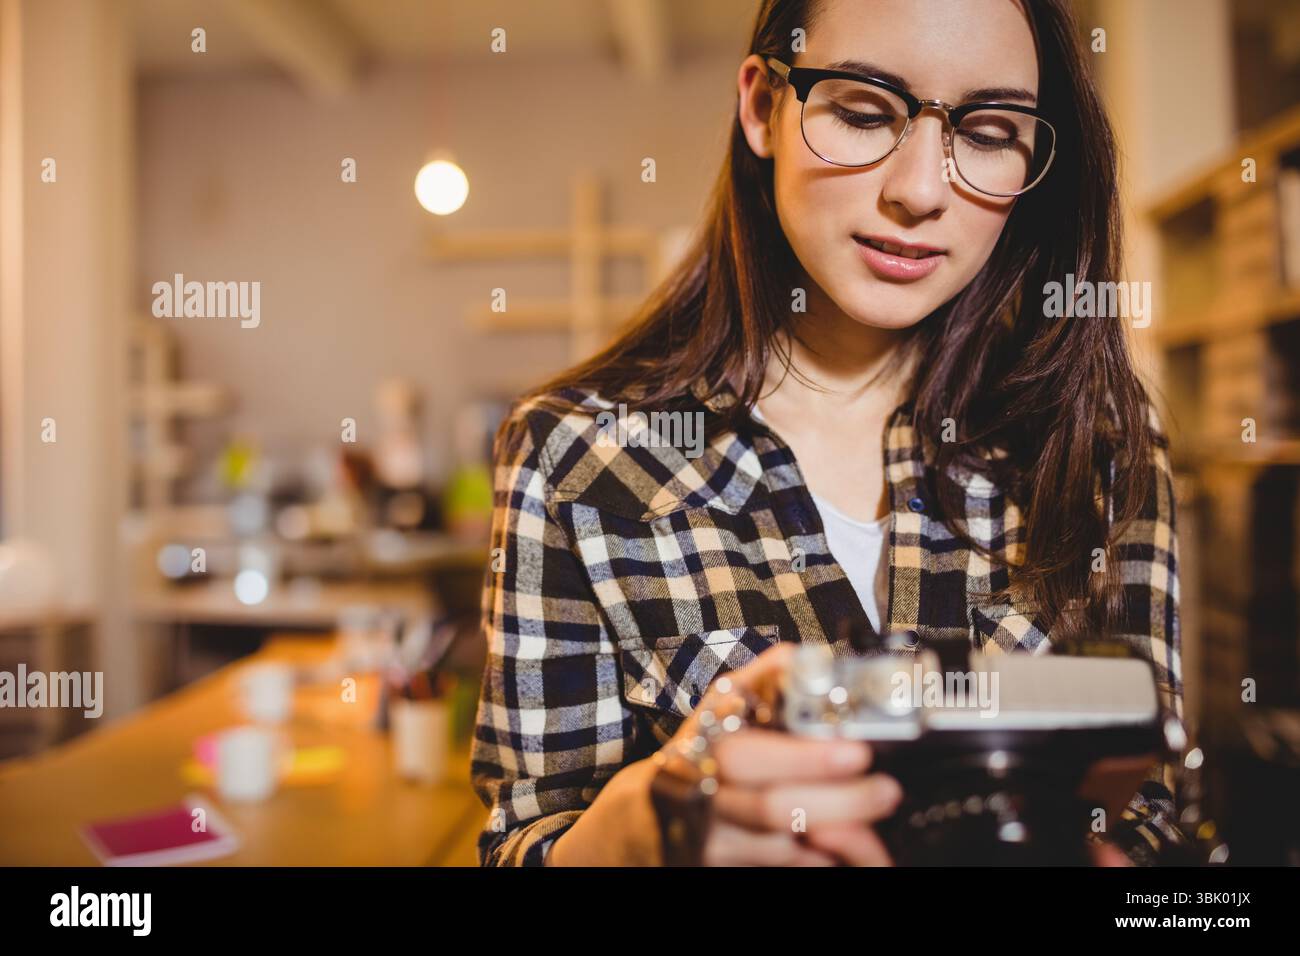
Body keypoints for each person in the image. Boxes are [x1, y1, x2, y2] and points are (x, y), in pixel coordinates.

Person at [471, 0, 1183, 866]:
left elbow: (1152, 819)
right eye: (861, 111)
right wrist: (649, 826)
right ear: (763, 107)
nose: (920, 191)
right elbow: (527, 839)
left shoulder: (1098, 433)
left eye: (991, 131)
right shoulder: (577, 458)